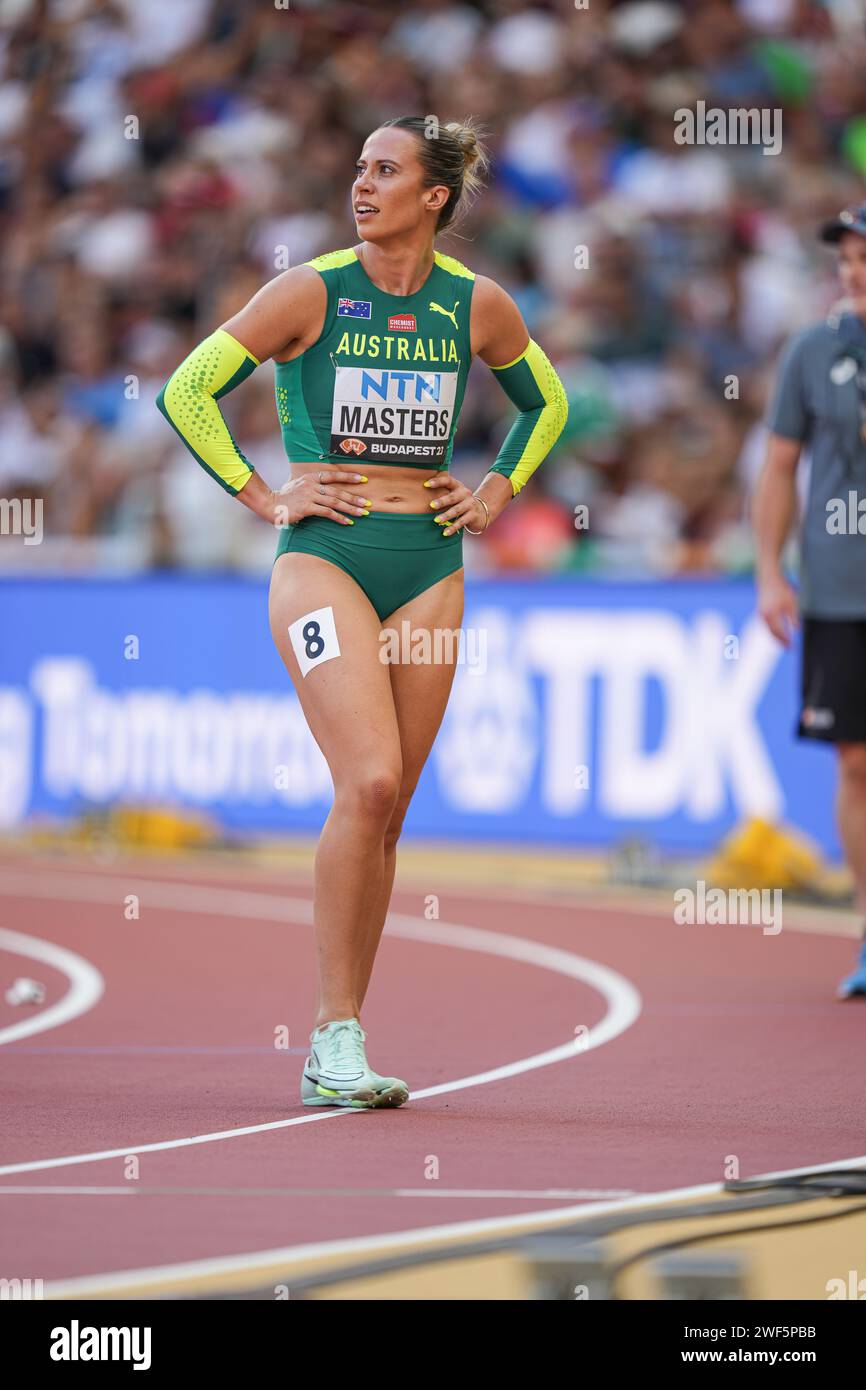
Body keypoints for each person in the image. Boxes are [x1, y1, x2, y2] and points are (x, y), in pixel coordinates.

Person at [157, 116, 569, 1105]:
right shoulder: (309, 289)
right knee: (371, 780)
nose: (361, 183)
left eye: (384, 171)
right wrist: (266, 497)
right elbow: (187, 388)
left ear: (434, 197)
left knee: (386, 814)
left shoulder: (475, 305)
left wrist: (498, 492)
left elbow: (543, 403)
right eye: (357, 168)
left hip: (428, 565)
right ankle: (331, 1035)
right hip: (325, 558)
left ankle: (344, 1037)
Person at [754, 200, 866, 999]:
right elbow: (778, 463)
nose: (853, 271)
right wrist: (768, 569)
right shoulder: (812, 349)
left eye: (865, 258)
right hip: (835, 585)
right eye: (848, 258)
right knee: (856, 761)